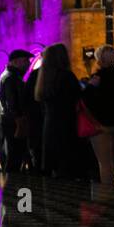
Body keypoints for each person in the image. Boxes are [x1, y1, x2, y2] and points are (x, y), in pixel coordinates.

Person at [82, 44, 114, 187]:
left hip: (102, 125)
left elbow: (86, 99)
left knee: (105, 164)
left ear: (100, 60)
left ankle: (109, 196)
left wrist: (90, 86)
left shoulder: (98, 78)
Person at [35, 43, 84, 179]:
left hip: (50, 124)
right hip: (67, 124)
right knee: (66, 165)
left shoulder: (44, 78)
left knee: (54, 165)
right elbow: (78, 96)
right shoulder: (66, 76)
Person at [0, 49, 32, 173]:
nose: (28, 63)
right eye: (25, 60)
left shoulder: (10, 76)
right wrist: (19, 119)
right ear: (16, 62)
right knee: (15, 155)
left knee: (14, 154)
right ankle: (12, 183)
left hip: (10, 120)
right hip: (13, 121)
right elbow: (12, 102)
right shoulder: (11, 77)